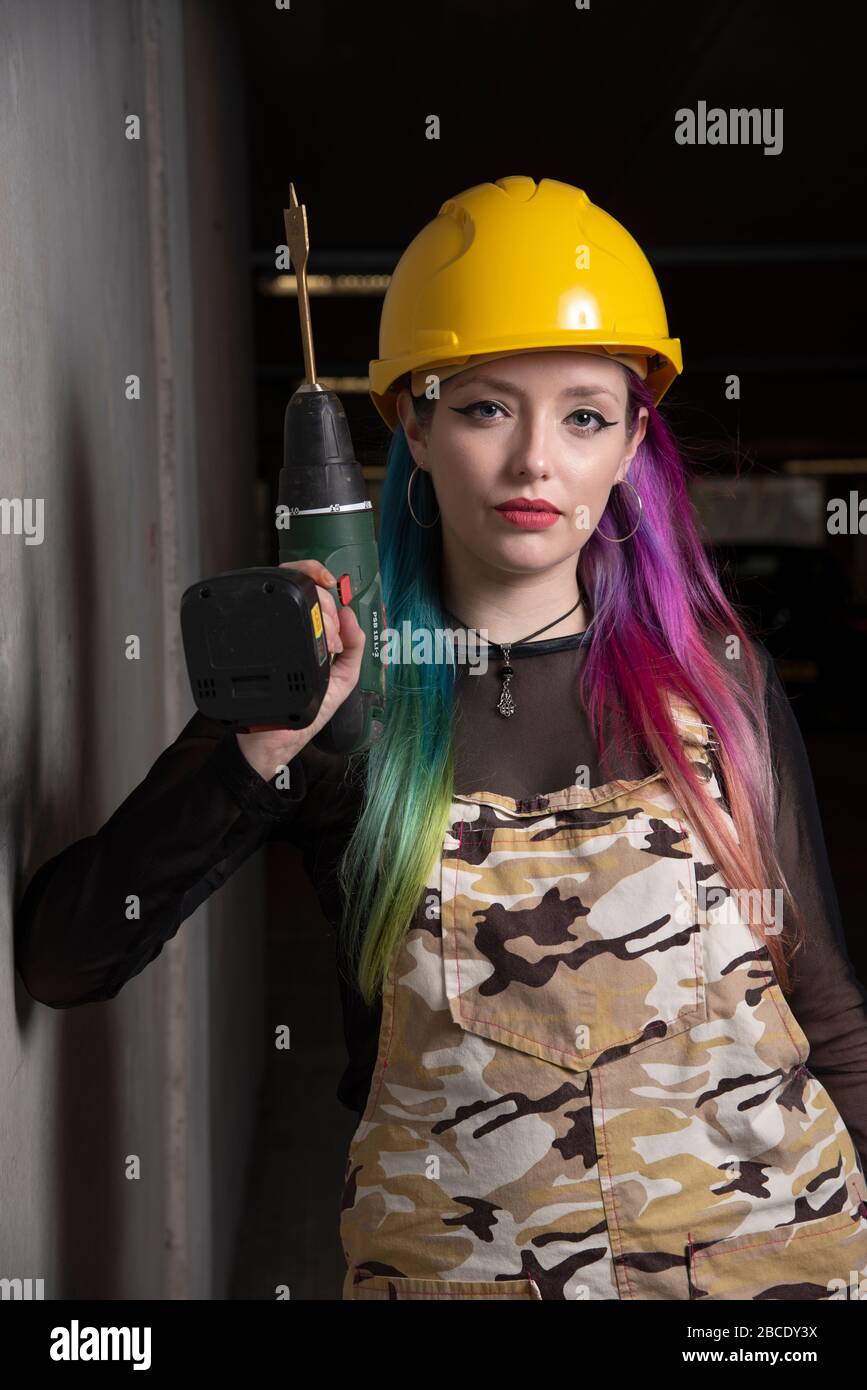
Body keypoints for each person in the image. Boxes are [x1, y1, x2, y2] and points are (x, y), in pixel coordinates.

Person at [16, 175, 867, 1302]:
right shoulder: (344, 708)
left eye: (583, 415)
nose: (534, 462)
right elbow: (67, 957)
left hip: (773, 1278)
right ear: (413, 424)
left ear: (631, 441)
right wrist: (261, 742)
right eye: (484, 409)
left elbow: (827, 1010)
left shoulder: (714, 679)